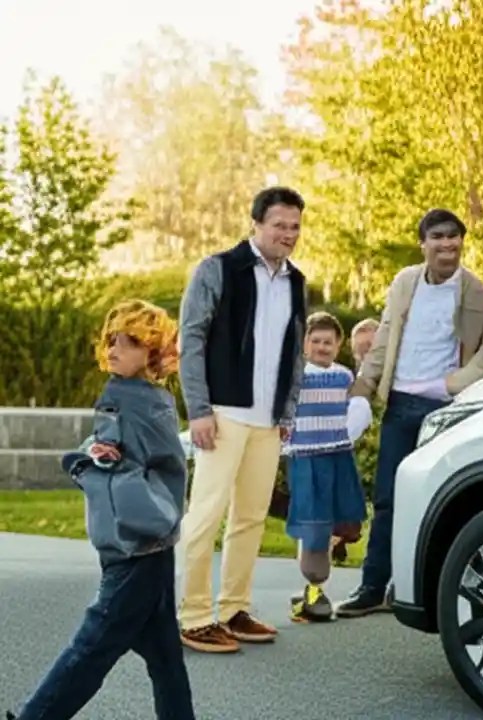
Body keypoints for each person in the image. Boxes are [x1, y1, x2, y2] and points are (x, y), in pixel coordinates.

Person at [8, 301, 194, 720]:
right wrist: (96, 455)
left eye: (128, 343)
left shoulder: (129, 400)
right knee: (165, 659)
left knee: (90, 650)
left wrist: (87, 464)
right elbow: (146, 460)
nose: (114, 350)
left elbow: (137, 468)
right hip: (154, 544)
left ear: (150, 352)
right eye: (111, 341)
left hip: (133, 548)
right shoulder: (149, 398)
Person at [336, 208, 483, 617]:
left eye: (455, 237)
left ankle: (421, 591)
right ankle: (373, 586)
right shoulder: (405, 282)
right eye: (439, 237)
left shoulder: (477, 291)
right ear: (423, 243)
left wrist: (451, 383)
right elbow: (386, 336)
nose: (448, 244)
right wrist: (362, 389)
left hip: (445, 410)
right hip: (400, 404)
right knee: (389, 498)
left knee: (437, 501)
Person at [176, 186, 308, 653]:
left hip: (267, 420)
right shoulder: (219, 269)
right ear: (256, 223)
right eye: (279, 225)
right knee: (205, 516)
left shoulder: (295, 281)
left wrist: (286, 412)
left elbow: (295, 354)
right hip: (222, 414)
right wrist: (199, 410)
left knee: (250, 518)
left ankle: (233, 609)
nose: (288, 234)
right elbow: (190, 340)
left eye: (294, 226)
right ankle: (193, 617)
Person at [284, 312, 373, 622]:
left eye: (328, 342)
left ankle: (315, 584)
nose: (322, 347)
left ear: (338, 345)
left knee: (341, 519)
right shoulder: (295, 375)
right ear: (305, 344)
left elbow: (358, 408)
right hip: (306, 458)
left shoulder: (345, 376)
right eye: (316, 341)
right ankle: (312, 589)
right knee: (313, 521)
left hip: (337, 456)